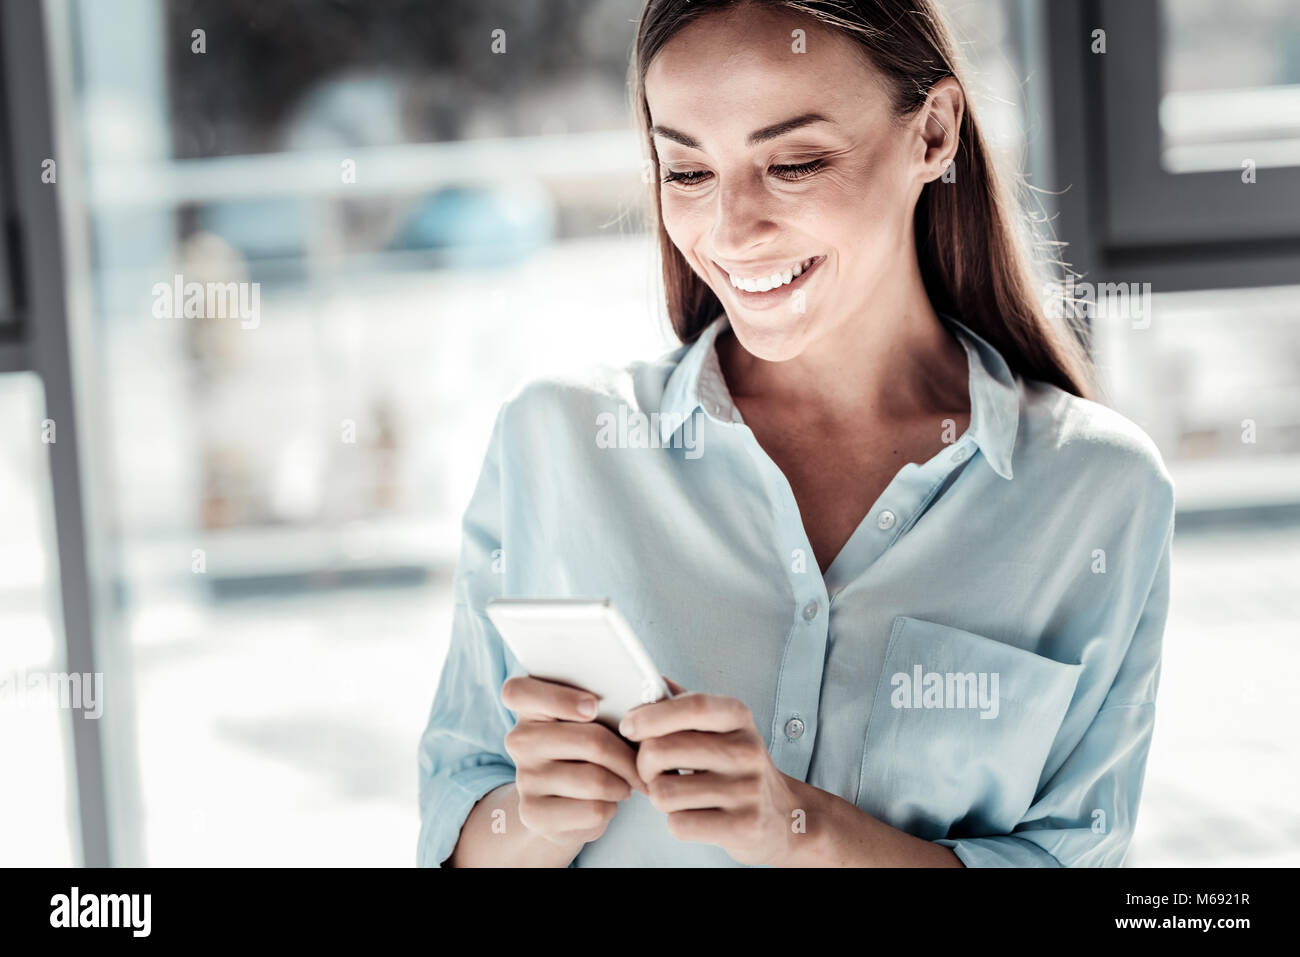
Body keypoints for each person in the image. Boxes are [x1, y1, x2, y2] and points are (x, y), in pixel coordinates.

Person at [417, 0, 1175, 867]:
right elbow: (456, 817)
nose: (733, 230)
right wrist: (538, 816)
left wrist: (806, 832)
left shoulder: (1099, 492)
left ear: (933, 134)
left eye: (794, 163)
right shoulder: (552, 442)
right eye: (688, 172)